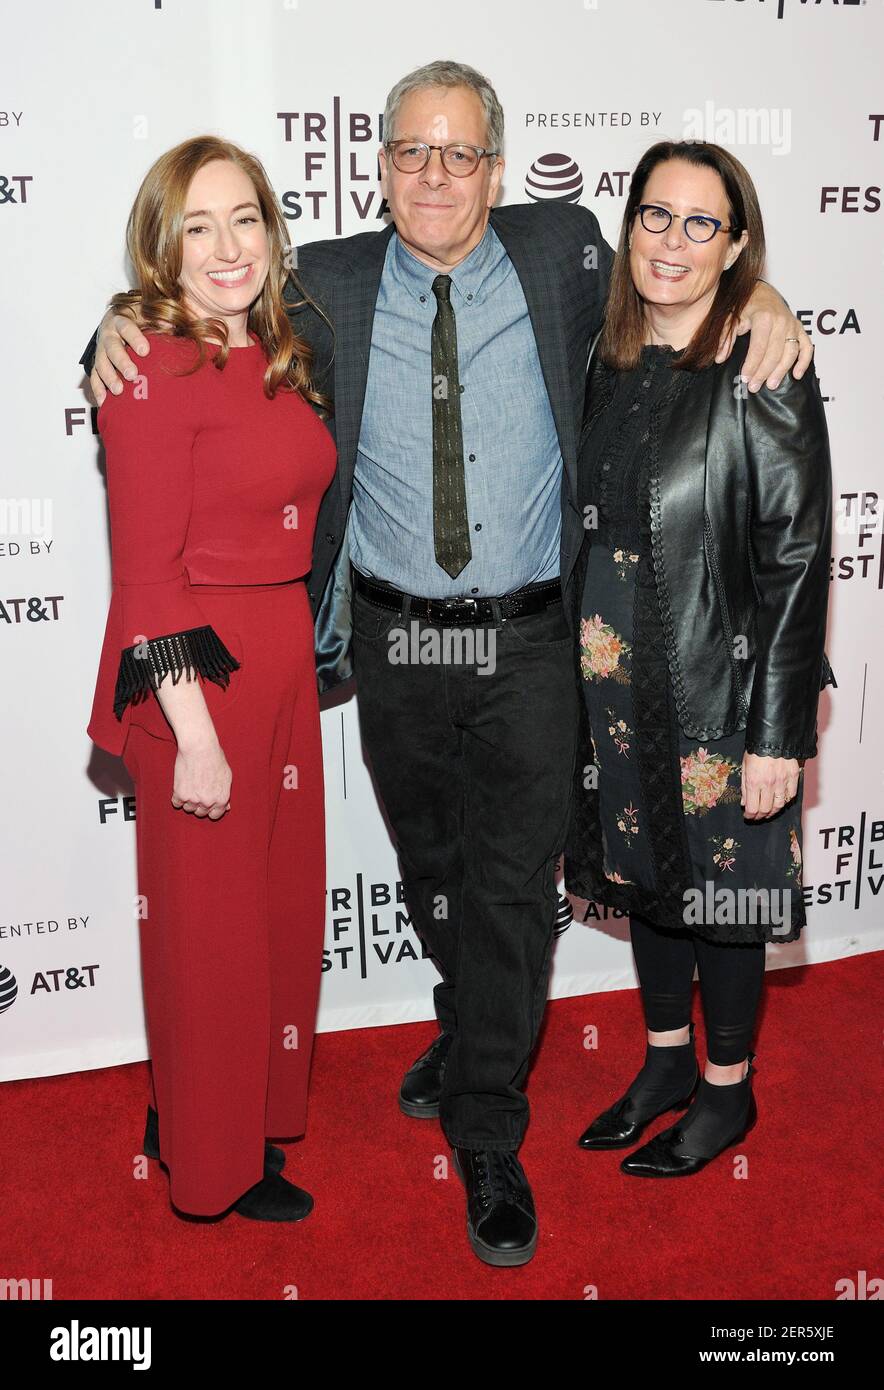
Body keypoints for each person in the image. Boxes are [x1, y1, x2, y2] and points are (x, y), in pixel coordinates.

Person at [82, 62, 813, 1265]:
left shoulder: (565, 249)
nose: (434, 175)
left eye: (458, 153)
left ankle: (485, 1125)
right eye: (410, 152)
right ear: (375, 167)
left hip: (529, 634)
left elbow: (678, 277)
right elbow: (185, 317)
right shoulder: (318, 279)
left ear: (496, 166)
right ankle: (465, 1014)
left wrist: (765, 294)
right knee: (435, 870)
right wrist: (104, 330)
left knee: (514, 889)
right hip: (387, 638)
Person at [564, 140, 833, 1176]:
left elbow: (797, 556)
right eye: (653, 216)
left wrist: (774, 733)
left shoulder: (760, 367)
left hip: (717, 693)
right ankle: (665, 1062)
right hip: (617, 690)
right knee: (646, 880)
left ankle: (728, 1089)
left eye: (699, 224)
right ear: (627, 224)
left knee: (721, 896)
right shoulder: (608, 357)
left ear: (734, 247)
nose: (670, 241)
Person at [86, 136, 336, 1221]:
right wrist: (192, 733)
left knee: (269, 918)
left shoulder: (279, 350)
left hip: (281, 658)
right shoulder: (145, 364)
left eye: (245, 219)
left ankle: (212, 1115)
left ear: (275, 235)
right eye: (198, 225)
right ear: (164, 248)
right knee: (209, 935)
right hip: (197, 672)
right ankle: (212, 1167)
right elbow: (144, 579)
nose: (227, 245)